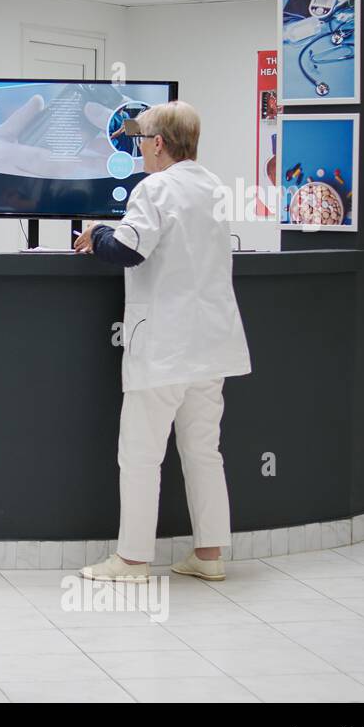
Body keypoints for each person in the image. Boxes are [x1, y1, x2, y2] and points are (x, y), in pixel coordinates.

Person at [73, 101, 251, 583]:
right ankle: (209, 555)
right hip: (210, 344)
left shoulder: (154, 187)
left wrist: (98, 231)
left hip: (164, 347)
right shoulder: (213, 186)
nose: (139, 149)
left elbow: (128, 250)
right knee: (203, 450)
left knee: (140, 455)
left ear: (157, 143)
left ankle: (131, 560)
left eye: (140, 141)